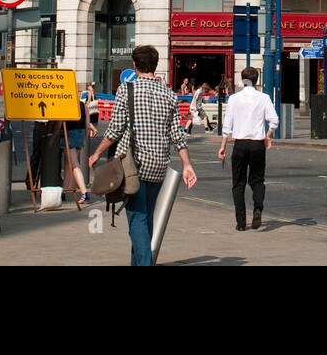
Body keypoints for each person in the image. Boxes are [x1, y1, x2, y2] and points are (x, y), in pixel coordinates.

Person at [88, 45, 197, 266]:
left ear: (135, 66)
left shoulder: (127, 89)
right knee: (145, 218)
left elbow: (115, 129)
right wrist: (187, 166)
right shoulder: (168, 94)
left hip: (133, 164)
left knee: (137, 219)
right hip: (159, 165)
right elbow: (177, 134)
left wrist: (96, 154)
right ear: (155, 66)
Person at [217, 67, 279, 231]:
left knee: (238, 183)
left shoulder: (234, 99)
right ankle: (258, 208)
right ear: (257, 80)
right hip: (258, 144)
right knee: (257, 180)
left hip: (240, 144)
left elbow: (227, 126)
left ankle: (241, 222)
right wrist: (268, 135)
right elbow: (274, 120)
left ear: (242, 80)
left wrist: (223, 147)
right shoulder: (264, 98)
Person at [55, 101, 96, 206]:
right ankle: (63, 192)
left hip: (69, 134)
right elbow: (87, 125)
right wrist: (84, 139)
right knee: (68, 164)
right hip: (80, 133)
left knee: (74, 165)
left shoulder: (65, 103)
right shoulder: (83, 105)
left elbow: (60, 122)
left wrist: (54, 136)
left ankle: (84, 193)